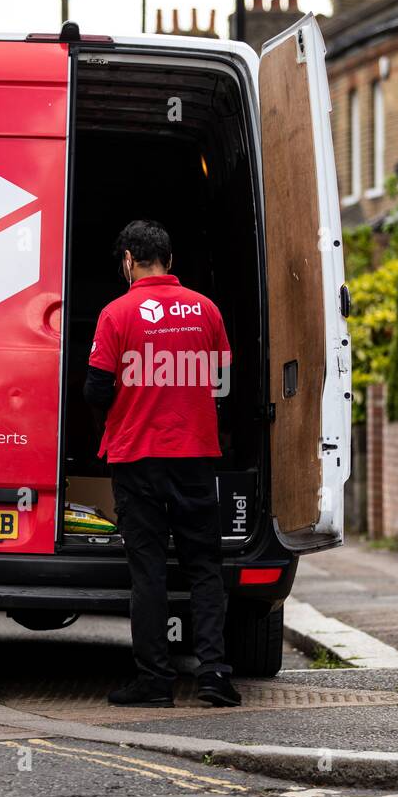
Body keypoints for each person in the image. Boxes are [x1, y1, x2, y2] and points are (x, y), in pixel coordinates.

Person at [83, 219, 241, 708]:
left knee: (148, 571)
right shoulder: (206, 310)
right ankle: (214, 674)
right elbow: (224, 385)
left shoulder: (115, 314)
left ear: (129, 260)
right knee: (204, 567)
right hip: (194, 457)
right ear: (169, 261)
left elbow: (95, 389)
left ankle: (155, 681)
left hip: (137, 458)